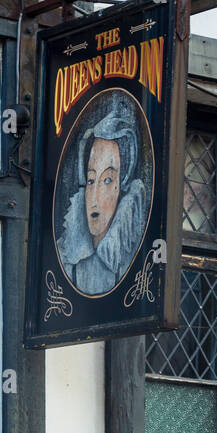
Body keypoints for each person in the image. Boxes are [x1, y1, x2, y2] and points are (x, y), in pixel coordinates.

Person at [58, 95, 149, 295]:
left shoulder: (137, 257)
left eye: (108, 180)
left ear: (122, 185)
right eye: (91, 180)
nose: (95, 196)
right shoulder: (63, 255)